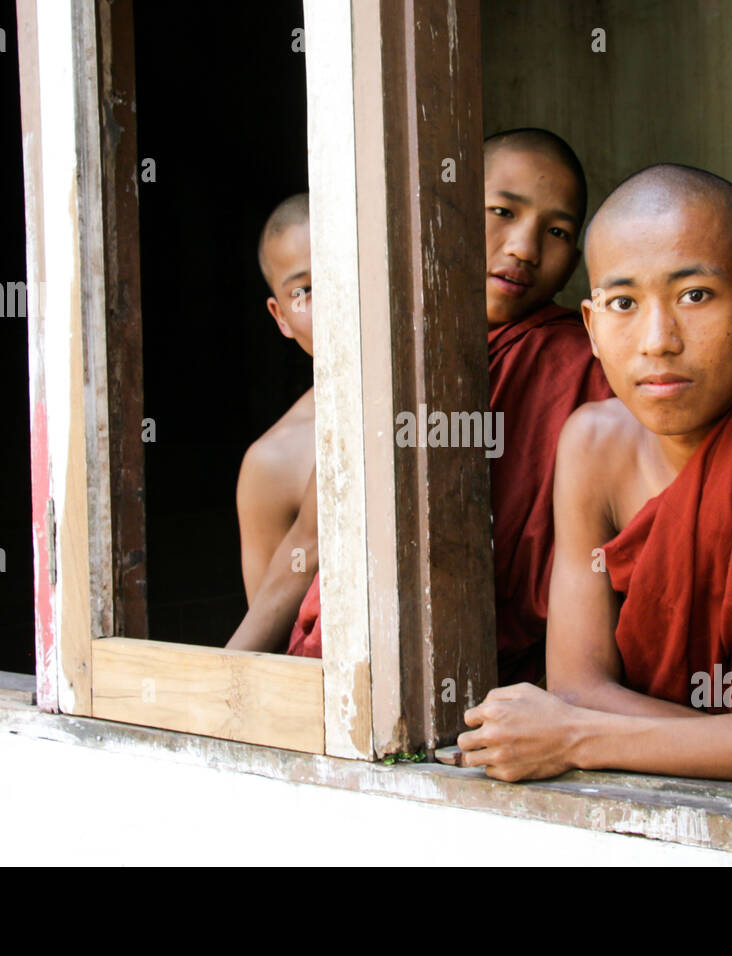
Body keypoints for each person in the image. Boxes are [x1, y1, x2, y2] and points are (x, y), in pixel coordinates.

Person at [457, 164, 732, 786]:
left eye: (695, 296)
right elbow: (578, 684)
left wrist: (576, 738)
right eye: (624, 304)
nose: (658, 340)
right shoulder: (594, 446)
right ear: (591, 328)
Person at [287, 130, 612, 683]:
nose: (525, 248)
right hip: (360, 675)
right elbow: (305, 549)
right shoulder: (390, 355)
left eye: (556, 231)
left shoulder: (582, 363)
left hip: (529, 679)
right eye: (502, 211)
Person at [226, 193, 318, 653]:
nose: (334, 299)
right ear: (280, 316)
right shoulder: (272, 461)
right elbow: (276, 639)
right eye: (304, 290)